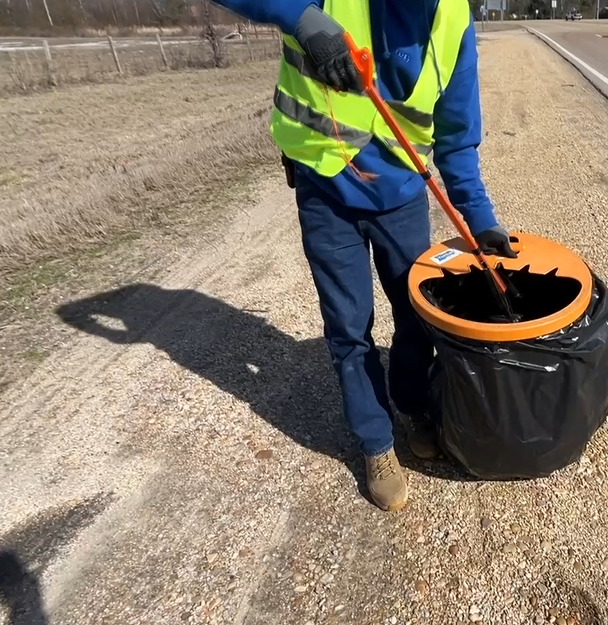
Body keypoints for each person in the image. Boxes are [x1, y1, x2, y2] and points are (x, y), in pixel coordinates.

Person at [207, 0, 515, 512]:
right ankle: (376, 442)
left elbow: (457, 137)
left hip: (401, 194)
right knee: (350, 327)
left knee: (419, 312)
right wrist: (301, 18)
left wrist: (480, 218)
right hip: (325, 185)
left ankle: (415, 407)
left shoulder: (452, 19)